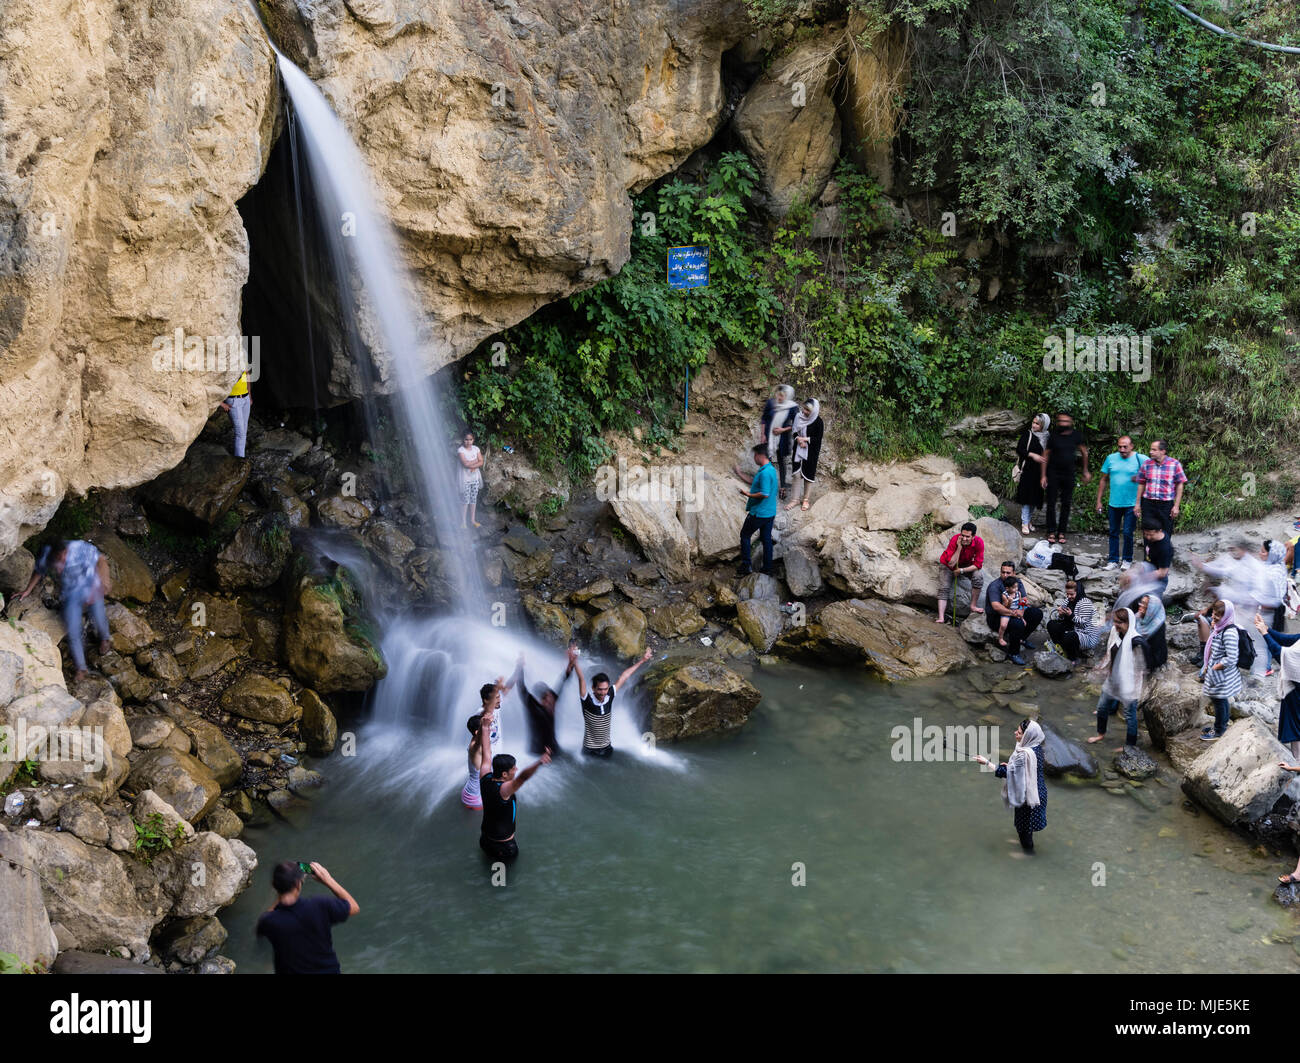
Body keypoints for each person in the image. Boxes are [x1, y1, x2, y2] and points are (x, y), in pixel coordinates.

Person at [16, 540, 111, 682]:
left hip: (91, 585)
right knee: (73, 631)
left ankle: (105, 638)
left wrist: (105, 580)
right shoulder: (48, 553)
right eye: (59, 558)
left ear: (67, 549)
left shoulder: (79, 547)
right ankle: (81, 668)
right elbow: (39, 571)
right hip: (71, 594)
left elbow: (101, 560)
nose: (63, 559)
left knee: (98, 616)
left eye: (64, 555)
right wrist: (27, 590)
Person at [255, 861, 359, 974]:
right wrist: (328, 880)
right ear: (298, 884)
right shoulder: (320, 905)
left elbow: (264, 920)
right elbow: (354, 907)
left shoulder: (269, 921)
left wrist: (281, 892)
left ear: (274, 885)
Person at [477, 701, 549, 861]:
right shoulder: (504, 790)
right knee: (501, 881)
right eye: (513, 769)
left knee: (489, 869)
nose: (516, 770)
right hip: (502, 848)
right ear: (504, 774)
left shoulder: (485, 777)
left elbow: (487, 753)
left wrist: (485, 728)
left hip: (485, 839)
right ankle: (498, 883)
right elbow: (522, 777)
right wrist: (539, 762)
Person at [1193, 539, 1269, 676]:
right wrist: (1203, 567)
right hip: (1238, 610)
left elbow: (1257, 593)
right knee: (1229, 641)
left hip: (1251, 612)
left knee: (1256, 645)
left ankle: (1257, 676)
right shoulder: (1238, 562)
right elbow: (1223, 570)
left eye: (1235, 550)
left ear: (1243, 550)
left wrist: (1219, 592)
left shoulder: (1255, 567)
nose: (1232, 553)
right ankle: (1224, 670)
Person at [974, 719, 1046, 853]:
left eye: (1019, 732)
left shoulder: (1024, 755)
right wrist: (1013, 767)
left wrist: (986, 763)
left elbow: (1005, 773)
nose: (1015, 733)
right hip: (1037, 791)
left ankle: (1029, 853)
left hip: (1028, 797)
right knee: (1025, 826)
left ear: (1027, 736)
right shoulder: (1035, 747)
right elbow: (1024, 770)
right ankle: (1024, 842)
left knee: (1024, 826)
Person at [572, 647, 654, 757]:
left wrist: (643, 660)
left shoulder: (610, 695)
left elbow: (624, 676)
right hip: (589, 751)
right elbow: (581, 679)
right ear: (593, 688)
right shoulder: (587, 701)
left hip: (606, 749)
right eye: (600, 689)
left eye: (605, 689)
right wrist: (574, 662)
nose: (603, 692)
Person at [1087, 607, 1146, 750]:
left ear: (1128, 622)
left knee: (1130, 716)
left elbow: (1140, 670)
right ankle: (1101, 734)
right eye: (1115, 621)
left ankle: (1129, 745)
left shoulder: (1136, 641)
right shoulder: (1115, 632)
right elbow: (1109, 652)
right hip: (1112, 679)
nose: (1115, 625)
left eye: (1119, 622)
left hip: (1129, 684)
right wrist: (1099, 670)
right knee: (1101, 708)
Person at [509, 645, 577, 757]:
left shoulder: (553, 699)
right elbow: (522, 688)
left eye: (550, 697)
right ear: (539, 700)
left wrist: (571, 664)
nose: (550, 702)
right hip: (536, 754)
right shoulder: (533, 706)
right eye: (545, 698)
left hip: (553, 750)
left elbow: (564, 679)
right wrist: (520, 667)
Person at [1094, 435, 1148, 570]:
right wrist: (1099, 501)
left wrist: (1141, 502)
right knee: (1113, 532)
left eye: (1125, 447)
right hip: (1114, 503)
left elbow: (1151, 474)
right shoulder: (1111, 458)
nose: (1122, 449)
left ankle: (1127, 560)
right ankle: (1113, 560)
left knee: (1128, 532)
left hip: (1132, 503)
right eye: (1120, 447)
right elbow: (1103, 480)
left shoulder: (1140, 459)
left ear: (1131, 446)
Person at [1039, 411, 1090, 545]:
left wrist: (1085, 470)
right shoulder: (1054, 436)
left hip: (1069, 474)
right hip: (1053, 473)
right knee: (1051, 502)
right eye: (1061, 421)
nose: (1063, 424)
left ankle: (1062, 531)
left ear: (1071, 422)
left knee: (1066, 503)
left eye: (1066, 421)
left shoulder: (1076, 435)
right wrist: (1043, 475)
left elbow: (1084, 452)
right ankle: (1051, 530)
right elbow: (1046, 454)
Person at [1199, 600, 1242, 741]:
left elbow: (1232, 657)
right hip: (1217, 672)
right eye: (1214, 613)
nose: (1214, 617)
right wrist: (1214, 627)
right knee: (1219, 700)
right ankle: (1220, 725)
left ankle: (1219, 731)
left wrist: (1217, 666)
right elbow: (1217, 644)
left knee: (1219, 701)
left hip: (1221, 674)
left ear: (1227, 616)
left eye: (1218, 616)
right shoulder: (1221, 627)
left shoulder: (1230, 633)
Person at [984, 562, 1043, 665]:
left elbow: (1024, 599)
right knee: (1018, 623)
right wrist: (1013, 613)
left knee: (1037, 613)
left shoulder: (1017, 582)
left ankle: (1021, 638)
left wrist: (1021, 610)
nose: (1005, 575)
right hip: (996, 617)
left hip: (1014, 611)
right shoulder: (995, 586)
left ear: (1014, 573)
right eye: (1003, 572)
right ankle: (1013, 653)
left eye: (1008, 572)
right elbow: (996, 606)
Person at [1133, 439, 1187, 544]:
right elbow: (1141, 484)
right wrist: (1137, 504)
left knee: (1166, 532)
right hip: (1148, 504)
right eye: (1151, 449)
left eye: (1154, 450)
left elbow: (1180, 484)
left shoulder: (1174, 464)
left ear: (1163, 451)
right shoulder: (1147, 464)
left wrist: (1176, 506)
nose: (1150, 452)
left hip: (1166, 505)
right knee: (1148, 532)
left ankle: (1163, 559)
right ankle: (1148, 559)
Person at [738, 444, 779, 576]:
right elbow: (755, 483)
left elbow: (765, 493)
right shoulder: (770, 470)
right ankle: (767, 568)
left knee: (745, 535)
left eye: (755, 455)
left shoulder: (765, 473)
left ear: (761, 455)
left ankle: (746, 566)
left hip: (759, 513)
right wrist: (739, 473)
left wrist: (748, 495)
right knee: (766, 539)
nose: (754, 458)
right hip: (770, 512)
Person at [935, 521, 985, 624]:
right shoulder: (955, 539)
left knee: (978, 576)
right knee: (944, 587)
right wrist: (959, 547)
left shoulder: (979, 542)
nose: (964, 539)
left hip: (965, 565)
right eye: (963, 535)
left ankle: (973, 605)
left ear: (973, 536)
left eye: (967, 537)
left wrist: (961, 570)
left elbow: (978, 565)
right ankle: (941, 617)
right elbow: (952, 563)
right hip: (948, 564)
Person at [1045, 578, 1104, 661]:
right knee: (1051, 624)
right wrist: (1061, 614)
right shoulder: (1068, 600)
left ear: (1078, 592)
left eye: (1071, 594)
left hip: (1086, 634)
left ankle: (1072, 657)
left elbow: (1083, 624)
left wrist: (1071, 615)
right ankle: (1060, 647)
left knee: (1069, 637)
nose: (1069, 597)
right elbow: (1061, 618)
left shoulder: (1085, 603)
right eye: (1067, 594)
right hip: (1072, 628)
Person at [784, 399, 824, 512]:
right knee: (796, 474)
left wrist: (805, 439)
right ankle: (794, 499)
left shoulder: (818, 422)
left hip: (811, 452)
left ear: (814, 411)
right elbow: (794, 431)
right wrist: (798, 439)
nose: (804, 411)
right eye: (804, 408)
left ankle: (806, 499)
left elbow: (818, 438)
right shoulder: (798, 417)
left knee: (808, 477)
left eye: (807, 410)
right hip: (798, 449)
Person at [760, 385, 799, 500]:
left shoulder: (792, 407)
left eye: (782, 396)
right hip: (769, 437)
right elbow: (764, 419)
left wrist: (783, 429)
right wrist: (762, 435)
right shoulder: (771, 403)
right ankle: (768, 485)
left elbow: (796, 425)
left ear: (787, 396)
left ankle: (782, 487)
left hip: (783, 439)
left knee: (782, 462)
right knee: (767, 461)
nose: (779, 397)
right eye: (778, 394)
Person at [1014, 413, 1049, 534]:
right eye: (1033, 422)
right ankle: (1024, 522)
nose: (1034, 425)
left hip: (1040, 473)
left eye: (1037, 424)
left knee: (1035, 499)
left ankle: (1029, 521)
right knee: (1026, 498)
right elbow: (1020, 449)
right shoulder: (1028, 434)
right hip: (1028, 471)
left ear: (1044, 425)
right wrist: (1033, 455)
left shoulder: (1047, 437)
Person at [1138, 517, 1173, 602]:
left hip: (1158, 581)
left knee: (1151, 604)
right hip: (1149, 571)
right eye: (1145, 534)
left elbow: (1162, 573)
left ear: (1159, 531)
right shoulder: (1153, 537)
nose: (1148, 537)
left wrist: (1141, 578)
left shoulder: (1164, 548)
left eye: (1151, 535)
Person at [218, 371, 251, 458]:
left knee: (243, 431)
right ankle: (240, 460)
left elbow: (247, 376)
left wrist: (249, 396)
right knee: (240, 433)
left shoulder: (242, 360)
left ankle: (241, 457)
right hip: (233, 401)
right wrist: (221, 403)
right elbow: (212, 384)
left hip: (245, 399)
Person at [1133, 593, 1167, 672]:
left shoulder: (1158, 625)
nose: (1140, 605)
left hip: (1154, 659)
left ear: (1152, 608)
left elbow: (1156, 650)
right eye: (1141, 602)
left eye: (1144, 603)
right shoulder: (1138, 617)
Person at [457, 431, 484, 530]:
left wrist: (473, 463)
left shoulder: (476, 449)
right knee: (465, 499)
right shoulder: (461, 450)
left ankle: (472, 520)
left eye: (470, 440)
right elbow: (465, 464)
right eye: (466, 439)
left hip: (475, 478)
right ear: (463, 440)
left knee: (473, 499)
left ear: (473, 440)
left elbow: (482, 461)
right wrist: (476, 461)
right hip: (465, 478)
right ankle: (463, 522)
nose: (468, 442)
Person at [461, 713, 487, 810]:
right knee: (477, 822)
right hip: (474, 795)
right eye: (485, 726)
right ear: (477, 732)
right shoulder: (475, 747)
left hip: (472, 791)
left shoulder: (475, 740)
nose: (489, 727)